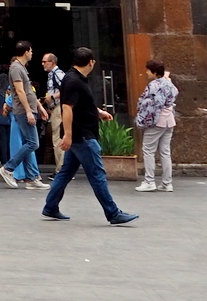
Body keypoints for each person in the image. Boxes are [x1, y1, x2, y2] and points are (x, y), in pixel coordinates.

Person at [40, 46, 138, 225]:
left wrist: (98, 112)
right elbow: (67, 108)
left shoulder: (75, 78)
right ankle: (113, 212)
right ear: (91, 62)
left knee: (66, 172)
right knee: (97, 174)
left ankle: (51, 206)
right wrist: (68, 135)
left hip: (79, 135)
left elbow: (81, 104)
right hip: (82, 136)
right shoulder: (73, 81)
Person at [0, 40, 48, 190]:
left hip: (28, 110)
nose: (32, 54)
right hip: (23, 111)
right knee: (33, 143)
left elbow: (29, 91)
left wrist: (39, 107)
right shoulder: (16, 69)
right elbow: (20, 91)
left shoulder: (21, 68)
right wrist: (28, 111)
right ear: (26, 52)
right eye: (31, 51)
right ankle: (8, 168)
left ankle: (32, 178)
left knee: (30, 142)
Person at [135, 59, 178, 192]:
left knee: (148, 150)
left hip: (156, 121)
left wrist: (142, 119)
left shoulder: (153, 85)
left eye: (148, 70)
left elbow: (151, 105)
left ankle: (149, 181)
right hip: (169, 119)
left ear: (154, 72)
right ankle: (167, 183)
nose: (146, 72)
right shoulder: (169, 84)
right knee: (165, 152)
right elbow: (173, 95)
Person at [41, 52, 66, 173]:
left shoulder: (58, 74)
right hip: (55, 108)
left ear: (53, 62)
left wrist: (52, 98)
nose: (43, 64)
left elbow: (66, 89)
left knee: (57, 139)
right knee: (57, 139)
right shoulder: (52, 75)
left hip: (58, 108)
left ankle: (61, 170)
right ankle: (62, 169)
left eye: (45, 61)